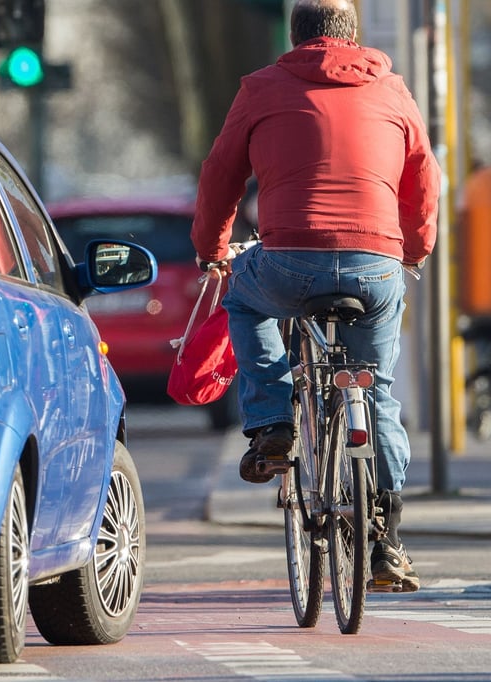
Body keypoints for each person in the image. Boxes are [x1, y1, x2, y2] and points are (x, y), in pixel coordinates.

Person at [190, 0, 440, 593]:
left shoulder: (261, 88)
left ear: (294, 35)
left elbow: (221, 173)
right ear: (351, 36)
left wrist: (212, 249)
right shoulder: (393, 89)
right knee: (373, 389)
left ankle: (273, 422)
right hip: (375, 265)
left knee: (245, 301)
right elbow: (424, 176)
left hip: (286, 261)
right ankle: (386, 540)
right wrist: (414, 248)